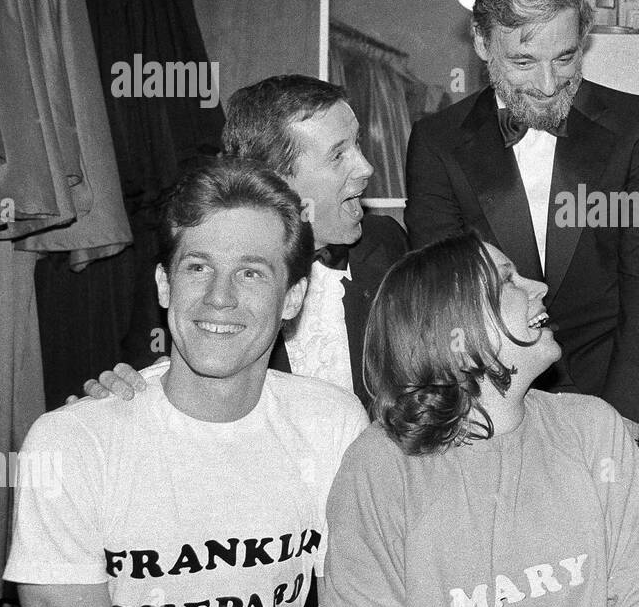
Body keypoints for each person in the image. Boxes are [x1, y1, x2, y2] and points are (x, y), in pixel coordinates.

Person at [4, 160, 370, 607]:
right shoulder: (72, 444)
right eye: (198, 267)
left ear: (293, 297)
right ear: (163, 285)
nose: (220, 297)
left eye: (251, 272)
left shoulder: (329, 424)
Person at [317, 231, 639, 607]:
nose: (539, 287)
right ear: (453, 332)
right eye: (507, 280)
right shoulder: (381, 463)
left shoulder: (593, 429)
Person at [405, 0, 639, 471]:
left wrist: (629, 419)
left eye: (565, 58)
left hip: (613, 388)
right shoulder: (437, 145)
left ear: (585, 40)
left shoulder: (638, 129)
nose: (549, 86)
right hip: (490, 398)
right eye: (524, 62)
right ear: (483, 43)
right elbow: (447, 304)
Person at [79, 75, 411, 407]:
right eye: (338, 155)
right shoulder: (196, 272)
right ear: (274, 180)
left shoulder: (387, 248)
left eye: (357, 144)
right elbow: (140, 385)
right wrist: (116, 394)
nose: (366, 167)